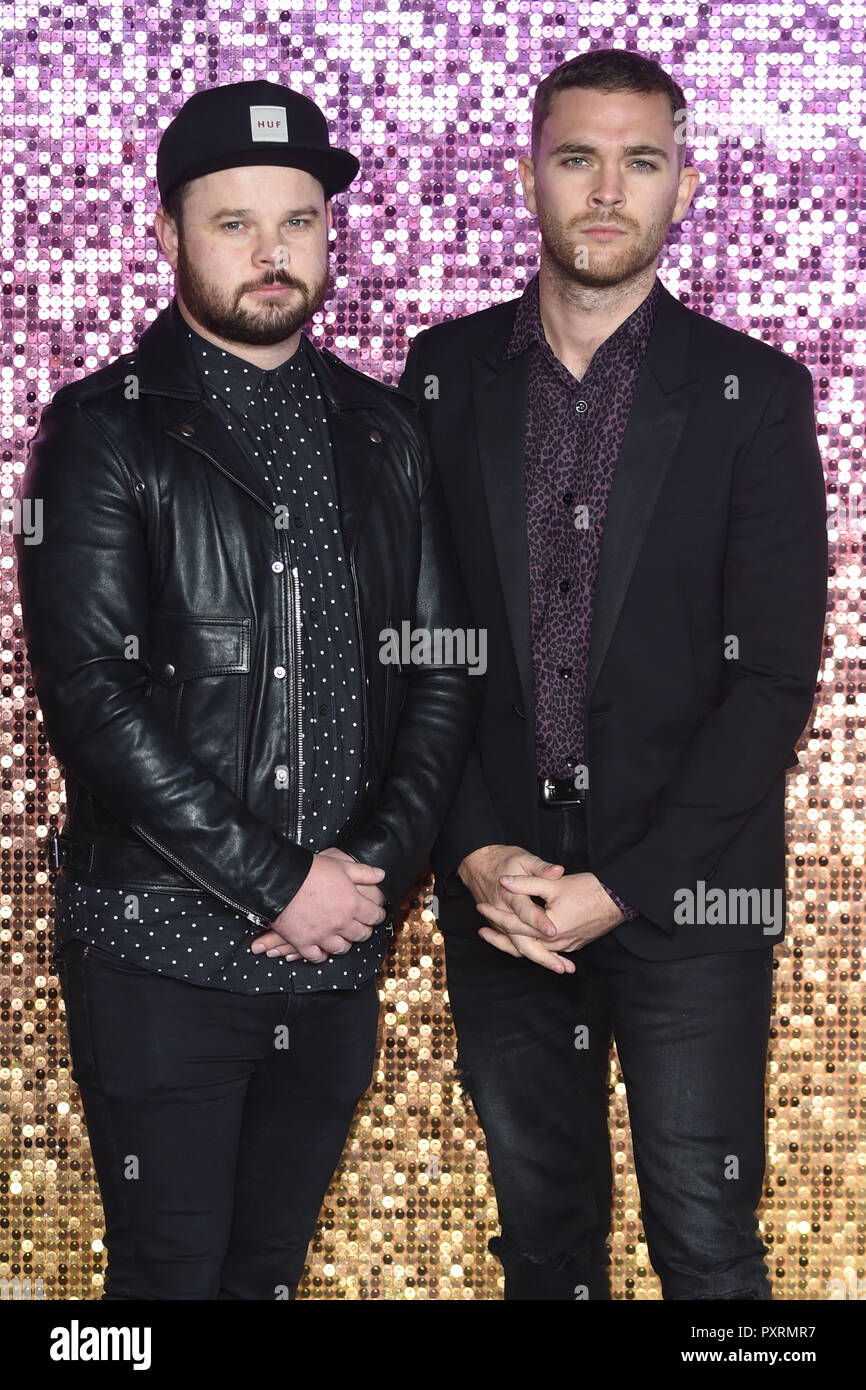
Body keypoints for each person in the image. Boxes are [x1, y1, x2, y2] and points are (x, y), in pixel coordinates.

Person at [16, 79, 480, 1300]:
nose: (272, 254)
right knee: (165, 1279)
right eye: (234, 223)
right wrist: (281, 879)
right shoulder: (102, 431)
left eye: (299, 222)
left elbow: (438, 669)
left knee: (270, 1270)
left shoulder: (381, 431)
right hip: (160, 948)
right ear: (167, 235)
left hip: (333, 947)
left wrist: (359, 879)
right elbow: (90, 700)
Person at [398, 48, 828, 1300]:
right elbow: (417, 647)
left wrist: (625, 886)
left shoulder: (753, 394)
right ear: (526, 174)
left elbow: (773, 683)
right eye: (576, 158)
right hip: (503, 894)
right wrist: (472, 850)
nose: (604, 191)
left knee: (705, 1240)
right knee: (543, 1243)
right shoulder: (440, 376)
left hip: (690, 895)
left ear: (681, 186)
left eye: (637, 163)